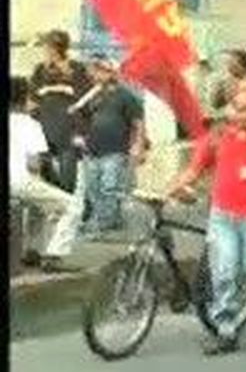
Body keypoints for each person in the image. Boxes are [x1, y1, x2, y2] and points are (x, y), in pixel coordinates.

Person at [167, 89, 246, 355]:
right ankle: (226, 330)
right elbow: (194, 169)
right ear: (229, 110)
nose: (243, 115)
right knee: (223, 272)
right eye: (238, 109)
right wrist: (174, 188)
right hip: (223, 216)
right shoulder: (216, 136)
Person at [10, 77, 81, 272]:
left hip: (17, 185)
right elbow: (35, 165)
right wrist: (55, 181)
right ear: (25, 99)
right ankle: (54, 254)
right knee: (73, 206)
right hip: (20, 182)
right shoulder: (30, 125)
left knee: (38, 204)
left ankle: (32, 250)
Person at [75, 57, 147, 235]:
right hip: (92, 149)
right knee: (93, 188)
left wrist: (138, 145)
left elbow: (138, 122)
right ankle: (110, 219)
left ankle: (102, 222)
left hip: (115, 150)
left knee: (109, 187)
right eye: (94, 71)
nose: (95, 75)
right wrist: (79, 136)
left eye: (101, 71)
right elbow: (81, 119)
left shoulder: (126, 96)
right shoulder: (92, 95)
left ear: (112, 73)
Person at [30, 30, 91, 193]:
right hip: (45, 127)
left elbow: (85, 96)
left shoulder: (77, 68)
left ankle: (66, 202)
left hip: (68, 129)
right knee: (44, 176)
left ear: (57, 49)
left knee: (67, 179)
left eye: (48, 47)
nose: (46, 51)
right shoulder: (40, 70)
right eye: (45, 48)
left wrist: (62, 87)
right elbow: (33, 97)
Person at [211, 50, 246, 114]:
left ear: (241, 65)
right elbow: (215, 104)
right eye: (228, 63)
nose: (228, 66)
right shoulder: (226, 82)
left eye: (231, 62)